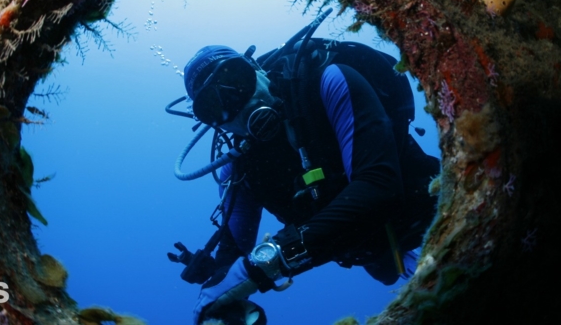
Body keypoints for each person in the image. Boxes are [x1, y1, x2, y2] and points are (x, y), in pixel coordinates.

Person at [172, 25, 440, 325]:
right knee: (387, 271)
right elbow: (232, 254)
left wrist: (263, 265)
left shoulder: (327, 81)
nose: (238, 103)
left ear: (257, 68)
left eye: (236, 79)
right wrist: (223, 304)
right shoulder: (238, 166)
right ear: (213, 124)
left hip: (429, 214)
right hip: (367, 251)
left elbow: (379, 187)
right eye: (215, 106)